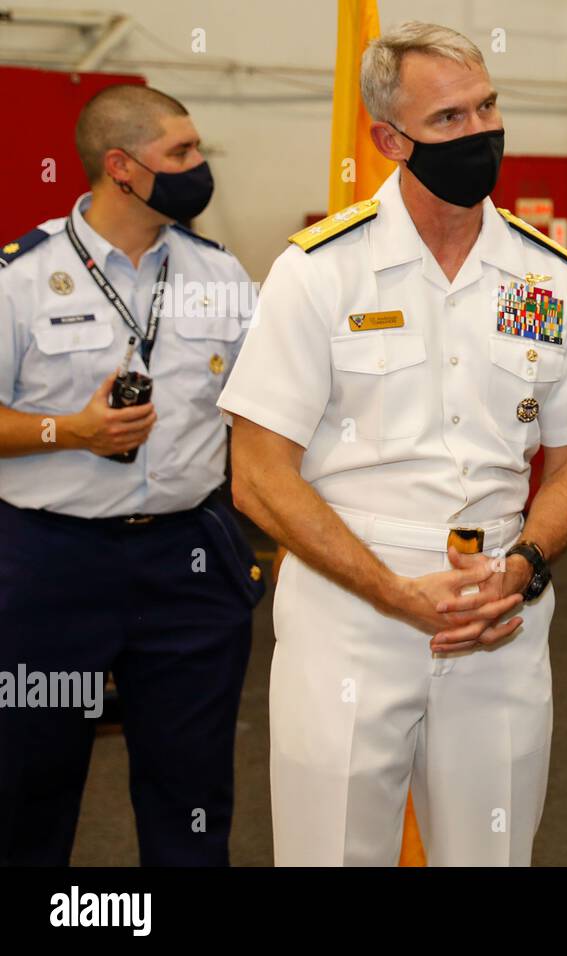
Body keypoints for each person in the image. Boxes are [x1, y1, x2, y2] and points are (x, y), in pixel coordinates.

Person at [217, 21, 567, 867]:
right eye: (449, 120)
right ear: (390, 139)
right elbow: (256, 477)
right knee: (334, 854)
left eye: (488, 107)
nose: (480, 132)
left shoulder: (548, 276)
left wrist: (525, 567)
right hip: (351, 607)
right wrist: (393, 592)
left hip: (499, 607)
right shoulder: (322, 271)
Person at [0, 84, 262, 866]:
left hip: (187, 560)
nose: (199, 166)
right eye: (180, 154)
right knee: (27, 786)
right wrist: (69, 430)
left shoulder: (222, 273)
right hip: (50, 564)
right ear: (120, 167)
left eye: (198, 149)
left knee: (191, 790)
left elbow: (265, 414)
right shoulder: (20, 277)